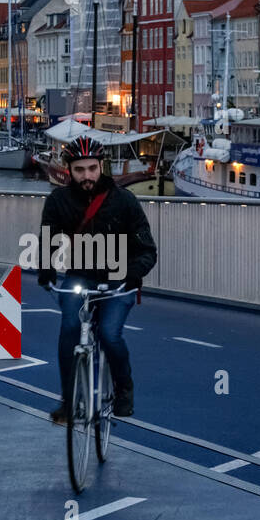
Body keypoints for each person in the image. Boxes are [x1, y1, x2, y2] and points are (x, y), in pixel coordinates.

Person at [37, 136, 156, 421]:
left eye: (92, 168)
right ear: (69, 170)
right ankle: (68, 400)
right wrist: (47, 269)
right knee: (68, 329)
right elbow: (48, 241)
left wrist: (134, 274)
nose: (87, 176)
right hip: (80, 276)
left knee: (109, 335)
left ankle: (124, 388)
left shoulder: (124, 201)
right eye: (80, 170)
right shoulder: (58, 201)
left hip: (120, 279)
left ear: (101, 166)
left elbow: (147, 249)